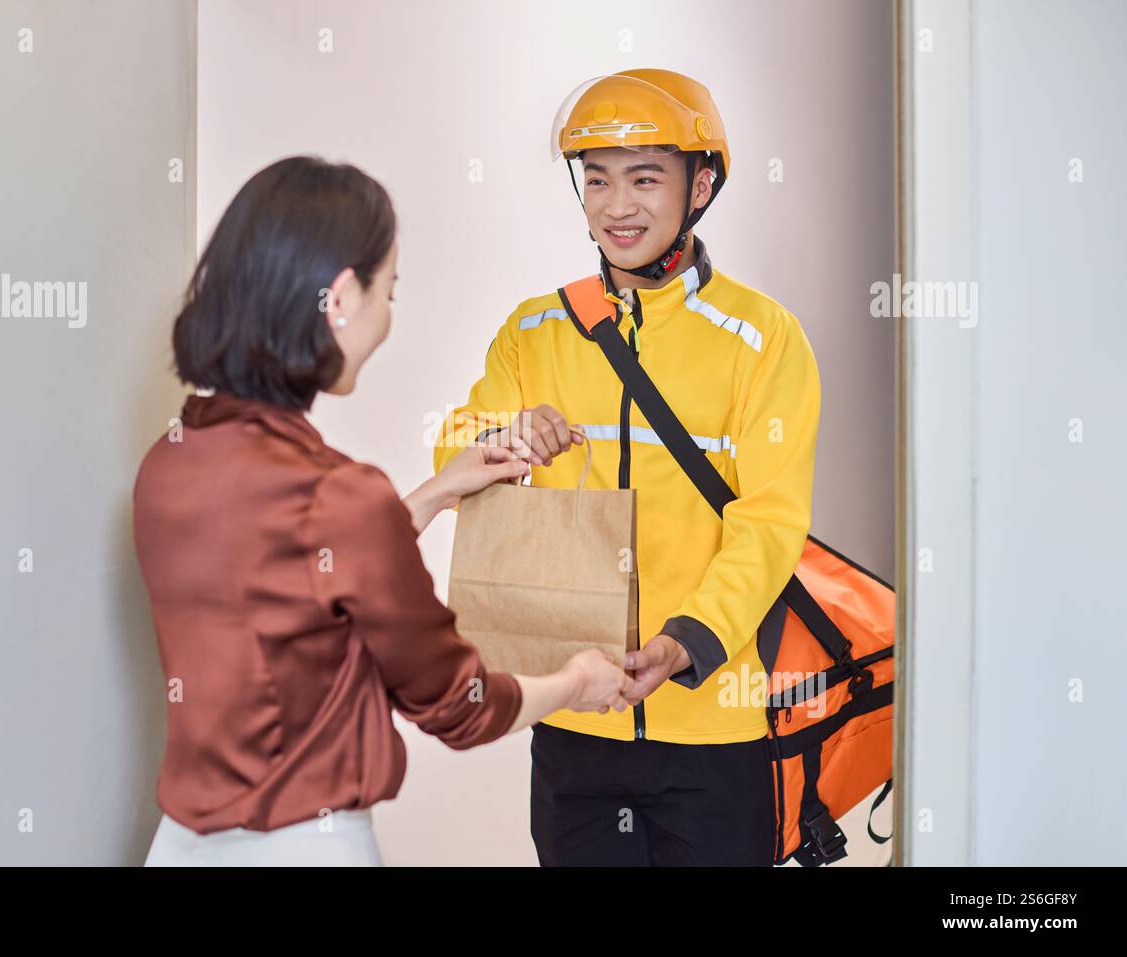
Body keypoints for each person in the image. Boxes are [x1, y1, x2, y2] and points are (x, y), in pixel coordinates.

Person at [133, 156, 630, 867]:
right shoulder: (340, 496)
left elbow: (294, 576)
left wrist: (434, 493)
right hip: (307, 848)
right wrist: (578, 680)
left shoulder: (171, 460)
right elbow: (460, 705)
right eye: (387, 291)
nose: (388, 318)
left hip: (179, 845)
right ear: (340, 298)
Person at [433, 69, 823, 866]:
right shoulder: (536, 328)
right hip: (576, 720)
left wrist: (689, 641)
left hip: (712, 726)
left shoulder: (763, 337)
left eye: (645, 178)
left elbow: (771, 523)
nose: (617, 206)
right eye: (598, 180)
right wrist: (506, 436)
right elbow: (453, 447)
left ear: (701, 183)